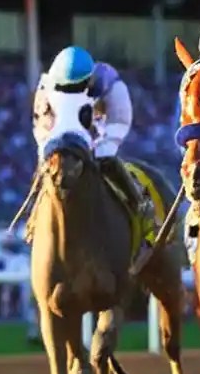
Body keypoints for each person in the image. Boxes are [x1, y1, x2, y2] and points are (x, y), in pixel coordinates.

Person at [33, 46, 155, 250]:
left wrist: (98, 145)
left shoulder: (108, 83)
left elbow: (119, 120)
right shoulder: (47, 88)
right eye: (65, 88)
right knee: (47, 166)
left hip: (100, 129)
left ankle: (140, 205)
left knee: (107, 158)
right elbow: (42, 125)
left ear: (89, 80)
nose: (71, 92)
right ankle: (34, 218)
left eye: (76, 87)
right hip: (66, 133)